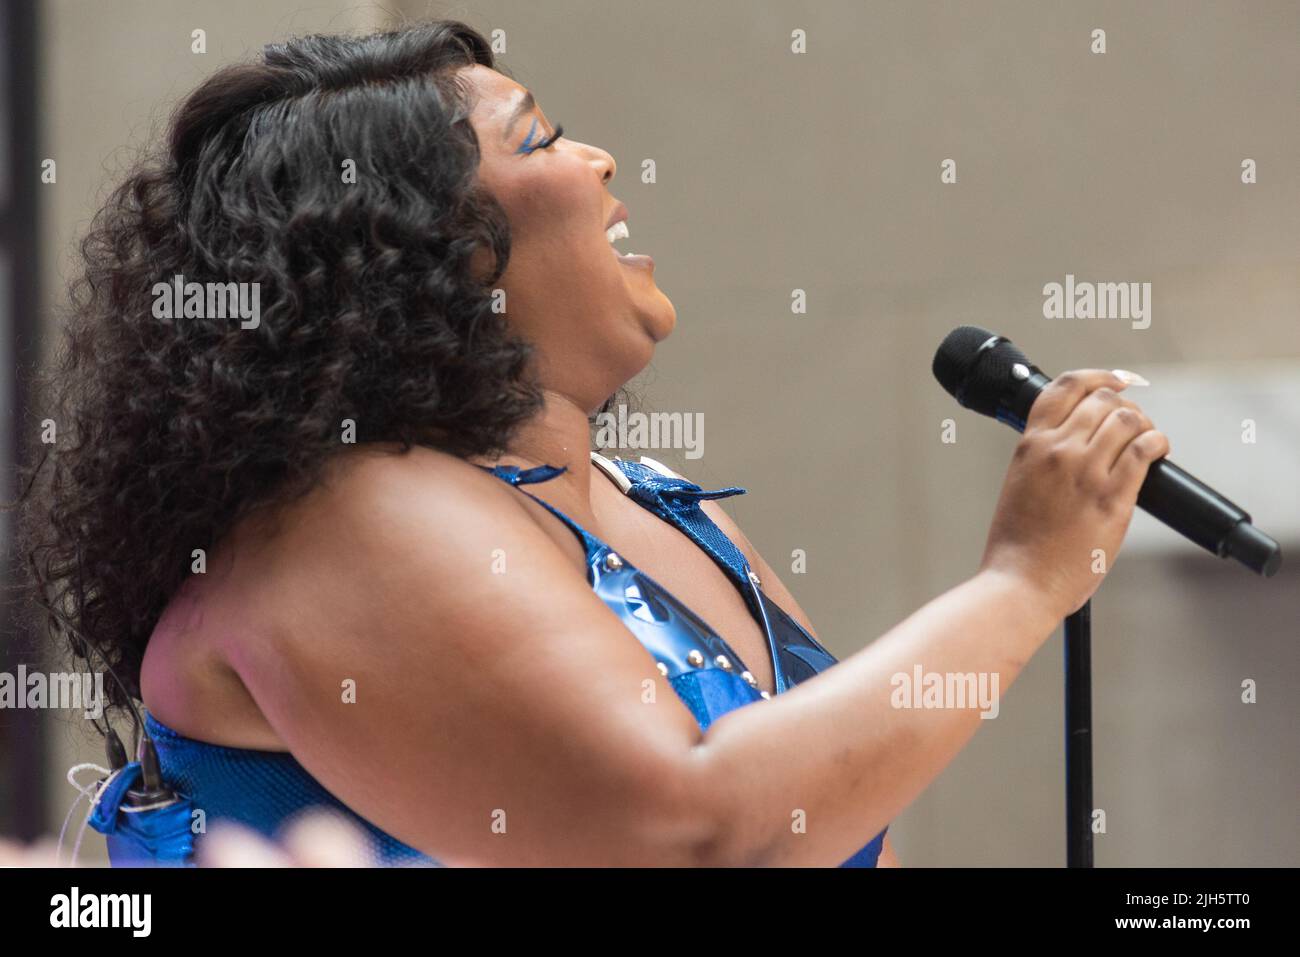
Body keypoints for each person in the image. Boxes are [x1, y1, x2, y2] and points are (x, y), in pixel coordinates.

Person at [17, 20, 1168, 867]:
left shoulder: (653, 502)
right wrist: (1024, 579)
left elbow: (826, 819)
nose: (598, 160)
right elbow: (688, 834)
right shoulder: (352, 514)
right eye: (543, 140)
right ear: (437, 250)